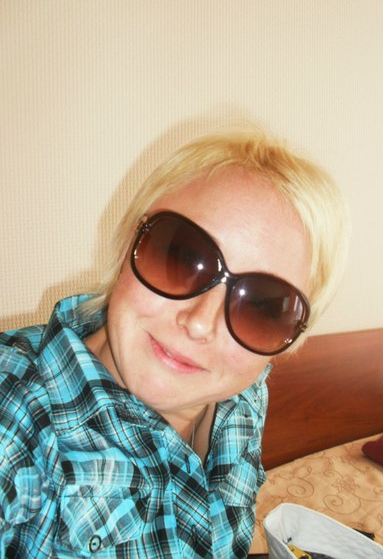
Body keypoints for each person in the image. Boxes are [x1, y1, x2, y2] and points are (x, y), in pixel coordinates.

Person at [0, 130, 349, 558]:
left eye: (261, 307)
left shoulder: (244, 397)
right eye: (182, 257)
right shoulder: (14, 426)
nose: (200, 324)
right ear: (130, 242)